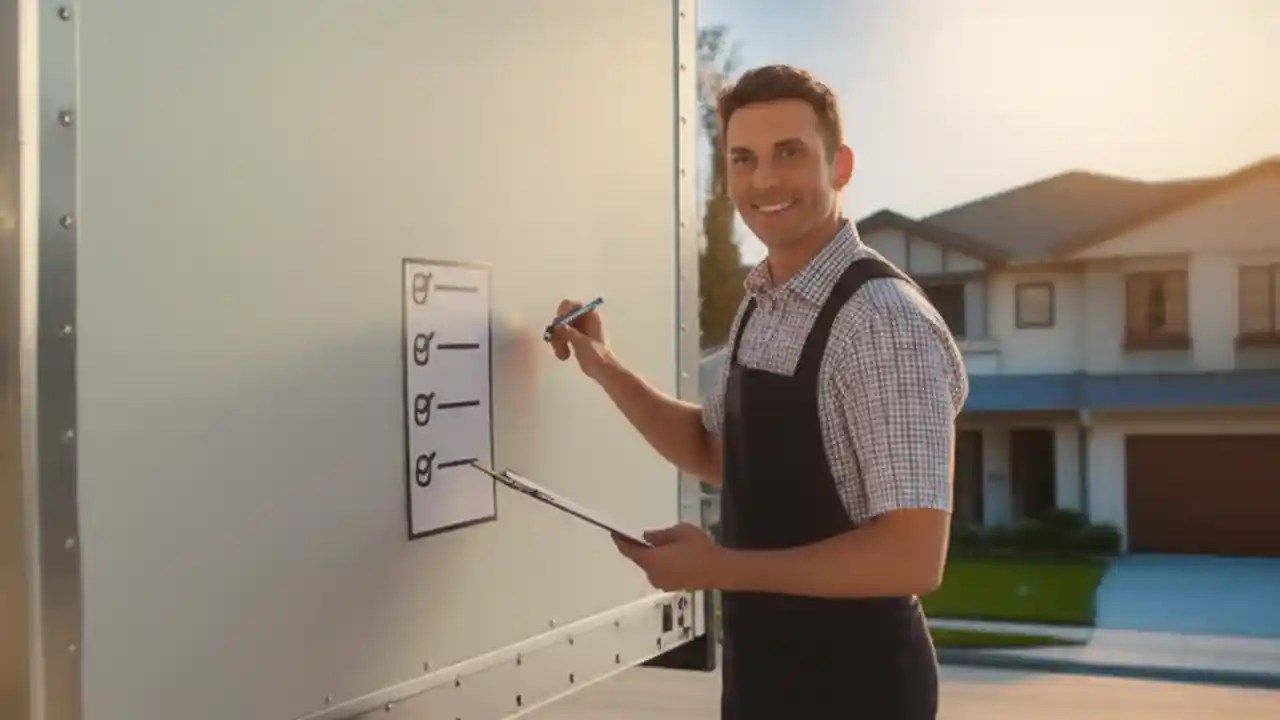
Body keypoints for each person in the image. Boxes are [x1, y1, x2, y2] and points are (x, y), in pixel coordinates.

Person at [548, 64, 968, 719]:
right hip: (763, 683)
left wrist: (716, 568)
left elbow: (910, 558)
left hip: (860, 693)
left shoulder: (882, 321)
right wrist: (601, 362)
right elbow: (717, 451)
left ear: (842, 165)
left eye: (790, 154)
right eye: (744, 159)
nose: (764, 181)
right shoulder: (763, 301)